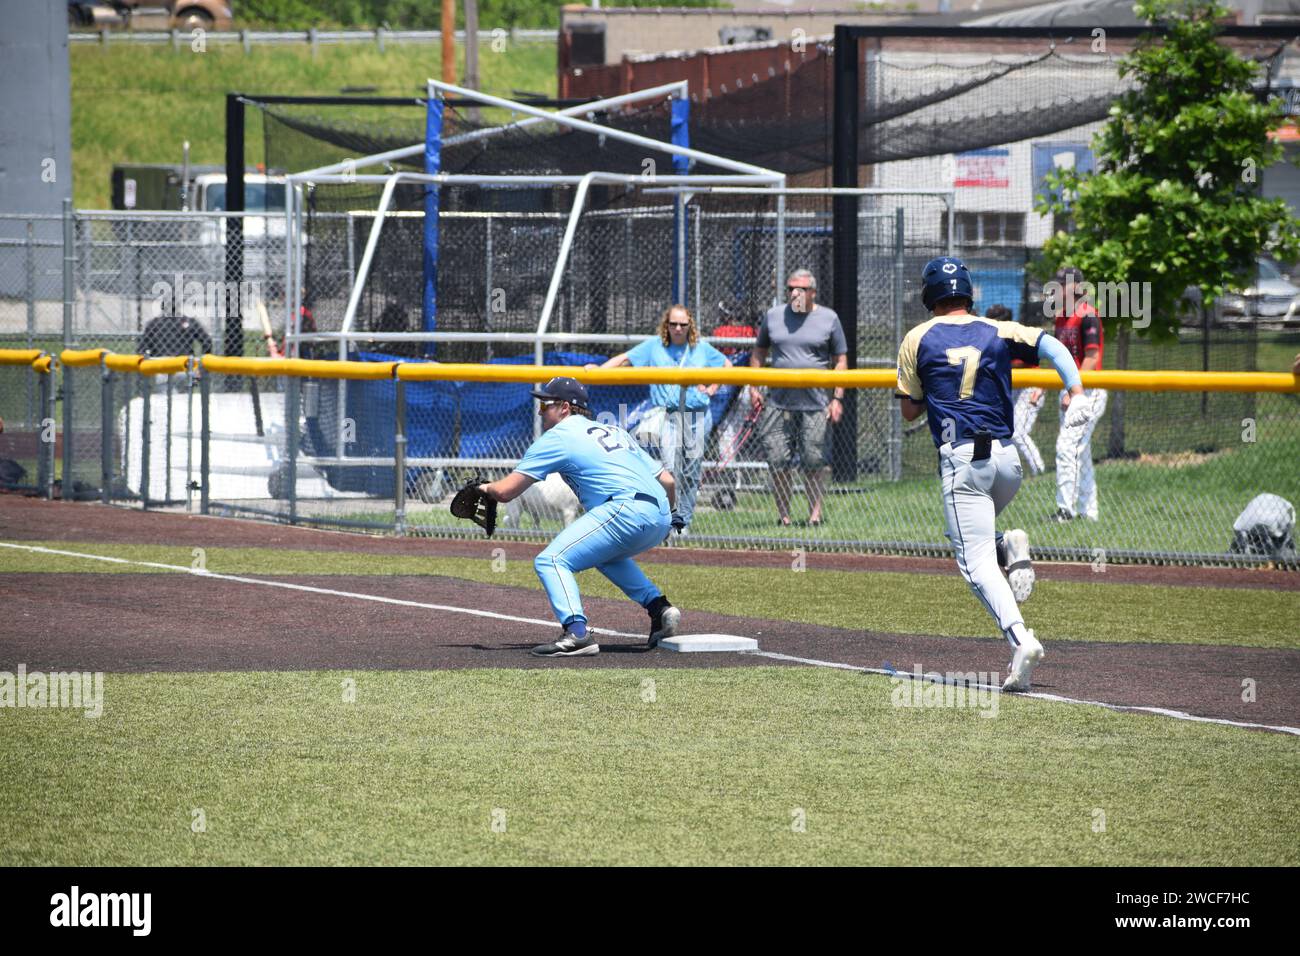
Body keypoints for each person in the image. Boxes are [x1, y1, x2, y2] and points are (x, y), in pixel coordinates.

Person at [895, 256, 1091, 692]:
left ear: (929, 296)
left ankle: (1022, 640)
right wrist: (1076, 392)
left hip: (963, 461)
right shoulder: (999, 329)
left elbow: (909, 409)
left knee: (974, 561)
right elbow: (1054, 347)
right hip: (1007, 460)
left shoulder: (917, 337)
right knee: (970, 538)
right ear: (968, 291)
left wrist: (934, 387)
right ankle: (1009, 544)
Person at [477, 376, 683, 657]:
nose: (540, 411)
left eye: (545, 405)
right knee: (603, 554)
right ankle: (660, 609)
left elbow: (505, 492)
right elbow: (668, 481)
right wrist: (670, 516)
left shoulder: (559, 436)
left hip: (624, 509)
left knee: (551, 560)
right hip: (659, 514)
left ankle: (577, 633)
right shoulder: (614, 430)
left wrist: (483, 487)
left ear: (564, 407)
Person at [588, 305, 731, 535]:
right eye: (673, 324)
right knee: (671, 471)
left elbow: (726, 366)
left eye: (683, 324)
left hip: (697, 415)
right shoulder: (655, 346)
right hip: (670, 415)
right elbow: (625, 359)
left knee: (691, 471)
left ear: (690, 326)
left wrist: (712, 388)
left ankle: (683, 524)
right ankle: (668, 519)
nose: (677, 328)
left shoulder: (700, 348)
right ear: (666, 325)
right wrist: (598, 370)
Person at [749, 269, 848, 526]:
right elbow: (759, 353)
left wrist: (837, 398)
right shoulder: (773, 316)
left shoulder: (829, 318)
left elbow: (840, 360)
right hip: (777, 403)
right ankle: (784, 517)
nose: (795, 293)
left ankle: (814, 517)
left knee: (813, 460)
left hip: (815, 404)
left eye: (801, 289)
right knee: (778, 460)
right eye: (791, 288)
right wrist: (754, 387)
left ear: (812, 292)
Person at [1051, 266, 1107, 521]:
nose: (1060, 287)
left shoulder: (1088, 316)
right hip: (1070, 389)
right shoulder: (1060, 317)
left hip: (1087, 390)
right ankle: (1089, 512)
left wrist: (1075, 392)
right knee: (1080, 452)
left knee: (1067, 446)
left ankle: (1066, 510)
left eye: (1065, 283)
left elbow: (1092, 357)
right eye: (1059, 282)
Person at [984, 302, 1048, 477]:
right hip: (1011, 391)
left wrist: (1039, 391)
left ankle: (1040, 471)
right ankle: (1005, 472)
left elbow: (1039, 370)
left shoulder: (1018, 340)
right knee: (1001, 432)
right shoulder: (989, 343)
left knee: (1018, 432)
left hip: (1030, 389)